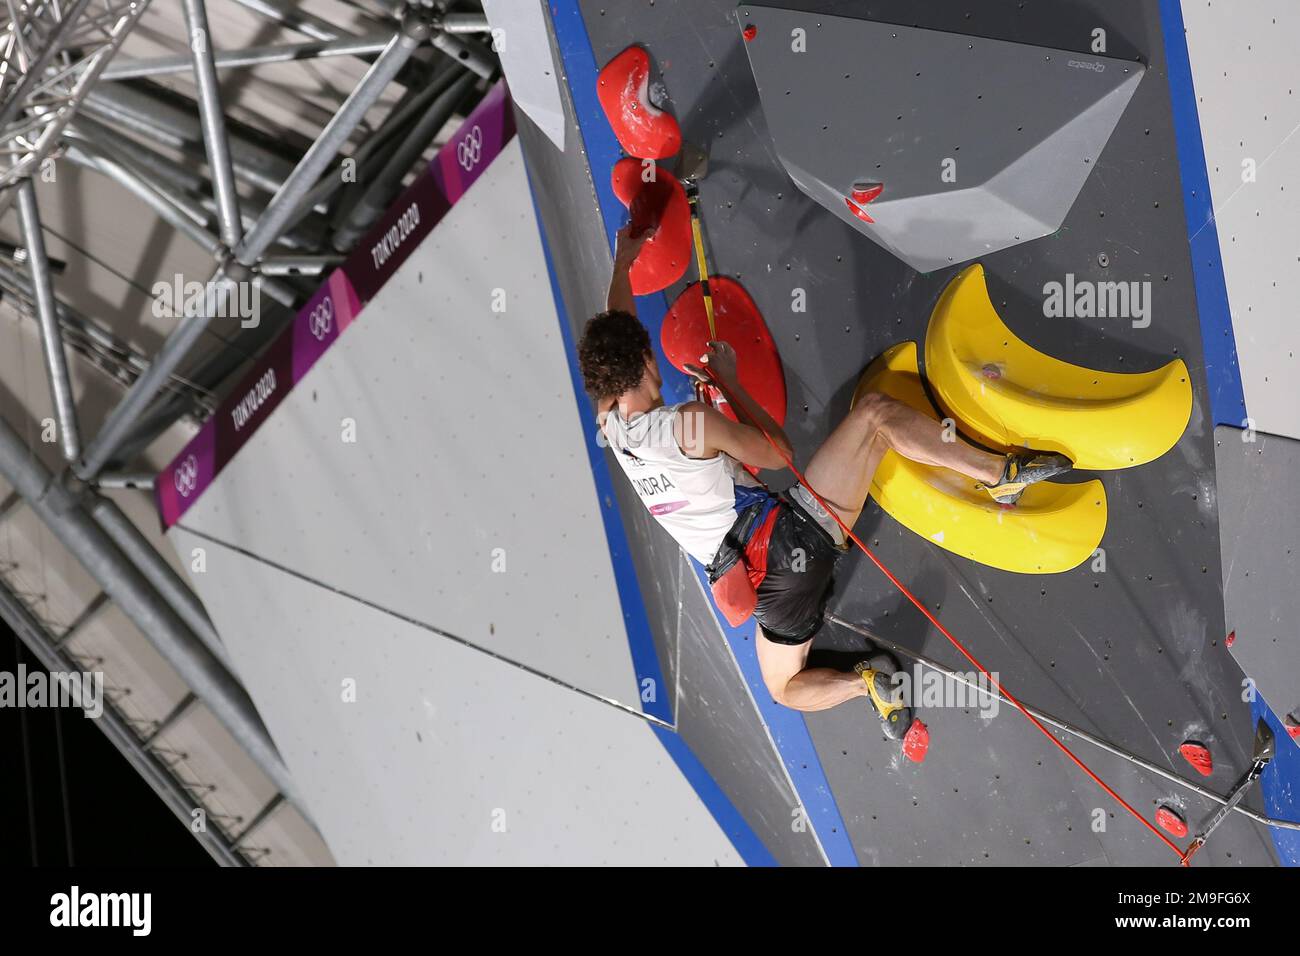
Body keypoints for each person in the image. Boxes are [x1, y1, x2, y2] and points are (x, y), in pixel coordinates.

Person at [578, 224, 1070, 738]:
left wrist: (623, 261)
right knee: (876, 417)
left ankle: (869, 684)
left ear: (606, 391)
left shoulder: (612, 431)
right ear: (648, 360)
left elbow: (616, 327)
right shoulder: (686, 424)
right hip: (794, 535)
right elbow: (777, 452)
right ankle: (1000, 474)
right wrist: (730, 381)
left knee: (783, 690)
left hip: (765, 591)